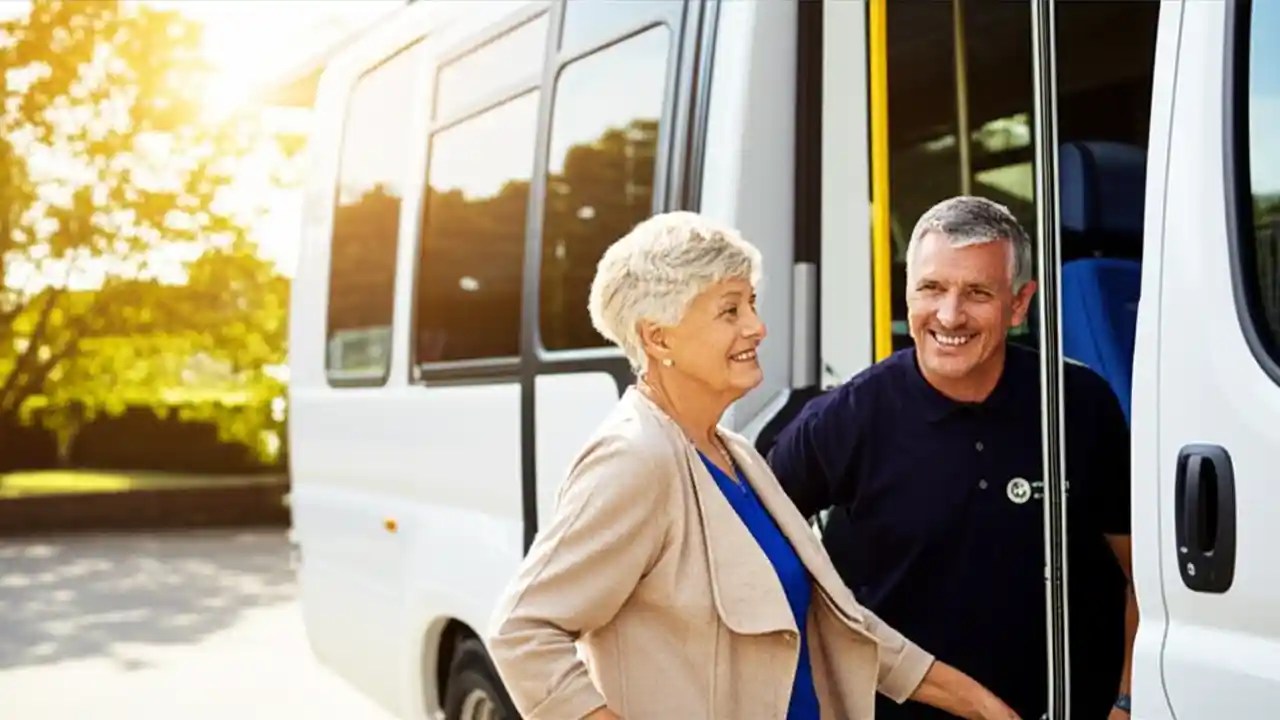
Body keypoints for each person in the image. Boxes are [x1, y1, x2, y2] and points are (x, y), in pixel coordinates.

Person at [486, 211, 1021, 720]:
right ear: (658, 337)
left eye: (752, 304)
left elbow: (840, 624)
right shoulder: (635, 458)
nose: (758, 327)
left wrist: (975, 704)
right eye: (729, 310)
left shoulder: (734, 453)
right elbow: (523, 633)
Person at [767, 195, 1138, 720]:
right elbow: (749, 561)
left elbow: (1142, 574)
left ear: (1019, 303)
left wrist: (1126, 701)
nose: (949, 315)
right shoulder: (846, 418)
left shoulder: (1079, 404)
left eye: (978, 292)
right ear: (908, 293)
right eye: (932, 288)